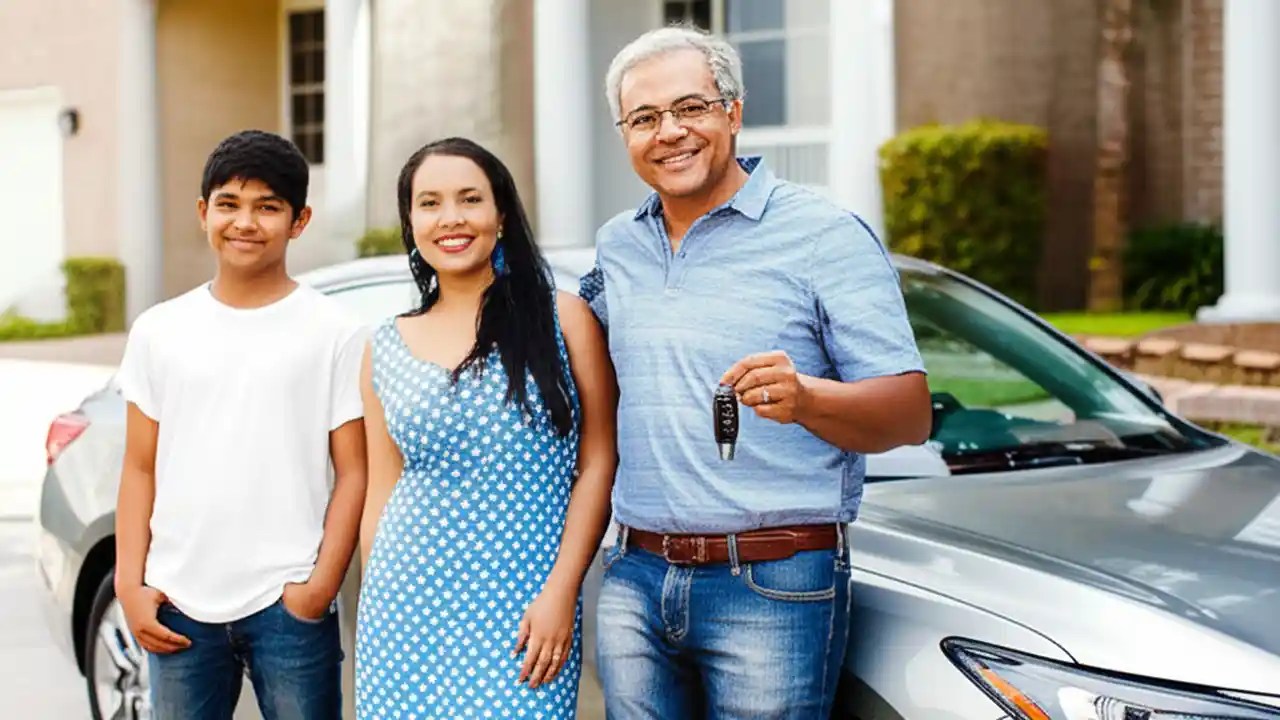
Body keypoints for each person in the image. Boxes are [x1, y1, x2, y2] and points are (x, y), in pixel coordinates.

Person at [580, 27, 933, 719]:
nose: (670, 132)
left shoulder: (825, 234)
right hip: (635, 573)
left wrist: (806, 398)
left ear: (734, 112)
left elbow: (910, 414)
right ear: (625, 134)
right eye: (645, 119)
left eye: (692, 108)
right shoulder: (618, 244)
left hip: (772, 581)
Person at [354, 137, 617, 719]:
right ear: (411, 221)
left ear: (500, 214)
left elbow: (598, 463)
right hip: (404, 611)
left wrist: (563, 590)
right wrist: (378, 599)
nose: (451, 218)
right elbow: (381, 491)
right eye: (430, 203)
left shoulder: (562, 318)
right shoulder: (385, 345)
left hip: (527, 608)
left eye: (470, 199)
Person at [114, 130, 368, 719]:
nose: (245, 222)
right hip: (178, 602)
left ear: (299, 221)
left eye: (268, 207)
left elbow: (353, 472)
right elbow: (139, 466)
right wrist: (132, 583)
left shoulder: (335, 330)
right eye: (229, 204)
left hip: (289, 604)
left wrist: (318, 588)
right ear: (204, 213)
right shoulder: (159, 330)